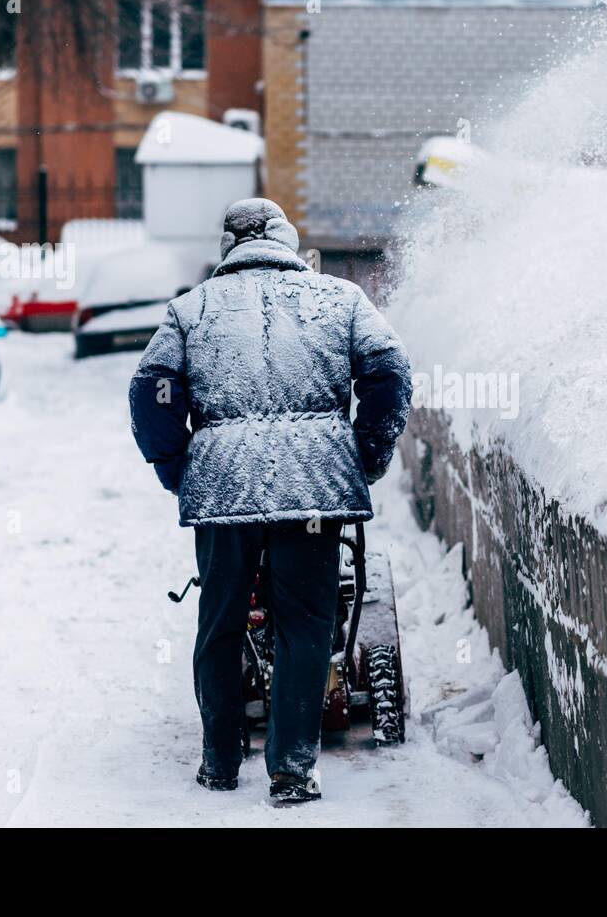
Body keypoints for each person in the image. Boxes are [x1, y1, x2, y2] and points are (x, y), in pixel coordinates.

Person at [128, 198, 411, 803]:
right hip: (313, 488)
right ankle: (291, 769)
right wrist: (366, 454)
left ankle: (220, 762)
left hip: (223, 487)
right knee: (307, 623)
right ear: (288, 241)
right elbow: (391, 372)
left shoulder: (189, 309)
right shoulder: (341, 300)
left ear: (227, 246)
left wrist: (179, 466)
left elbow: (151, 391)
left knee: (221, 621)